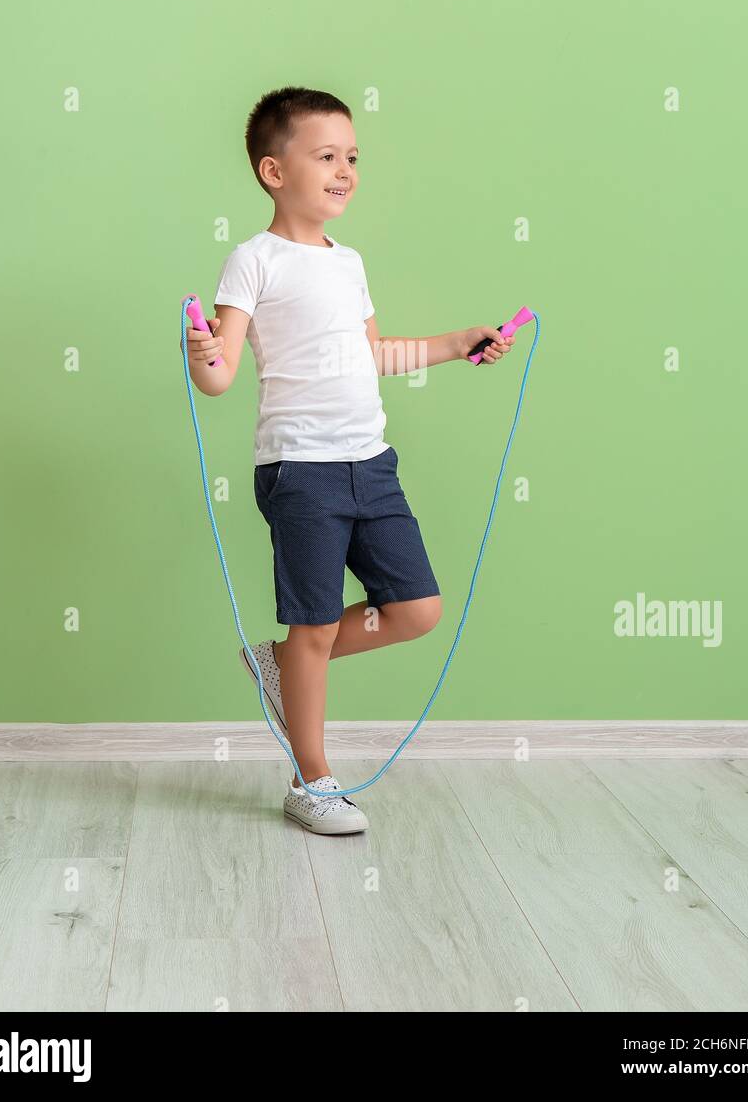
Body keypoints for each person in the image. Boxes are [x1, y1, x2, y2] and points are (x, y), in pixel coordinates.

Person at [186, 86, 514, 834]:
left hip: (372, 461)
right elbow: (221, 375)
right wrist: (201, 350)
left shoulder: (349, 261)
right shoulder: (253, 260)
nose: (345, 170)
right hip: (301, 470)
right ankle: (311, 781)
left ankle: (278, 665)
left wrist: (457, 343)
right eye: (326, 156)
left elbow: (373, 354)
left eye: (352, 157)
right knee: (313, 626)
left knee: (417, 609)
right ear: (275, 171)